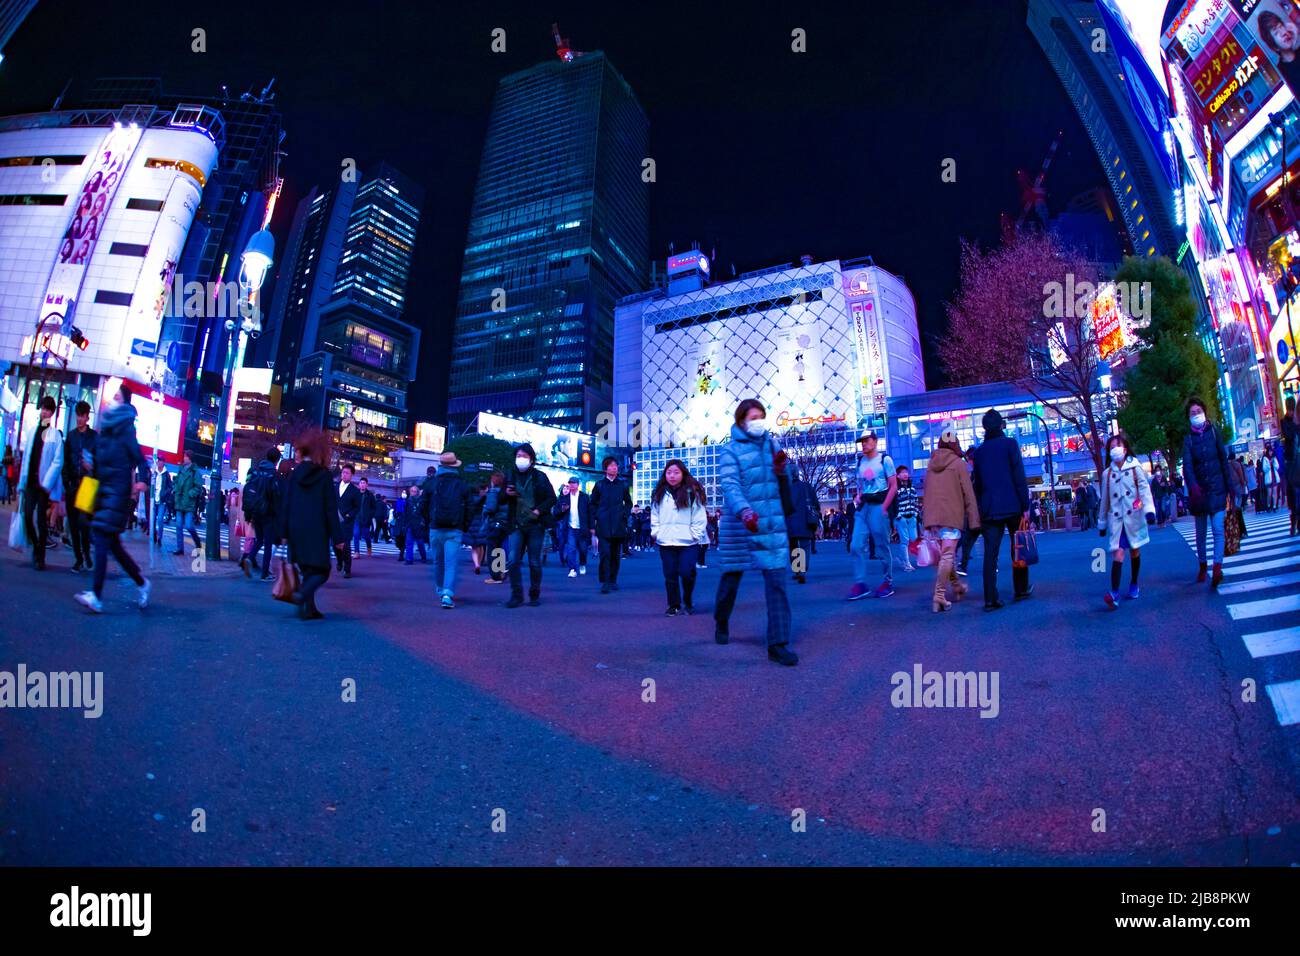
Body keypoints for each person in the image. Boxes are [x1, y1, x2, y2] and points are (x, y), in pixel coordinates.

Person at [714, 399, 797, 666]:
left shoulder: (773, 445)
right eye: (753, 416)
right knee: (731, 581)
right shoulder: (730, 451)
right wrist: (744, 511)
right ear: (741, 421)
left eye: (762, 415)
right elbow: (730, 485)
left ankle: (778, 643)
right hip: (741, 524)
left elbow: (785, 481)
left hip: (770, 524)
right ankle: (721, 620)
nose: (759, 420)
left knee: (777, 584)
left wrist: (782, 470)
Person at [73, 385, 150, 613]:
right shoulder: (105, 429)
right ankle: (142, 583)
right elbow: (98, 462)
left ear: (124, 402)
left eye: (116, 397)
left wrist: (142, 481)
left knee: (100, 536)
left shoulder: (126, 429)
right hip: (102, 492)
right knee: (114, 547)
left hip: (117, 494)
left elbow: (141, 459)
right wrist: (90, 463)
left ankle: (96, 596)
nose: (112, 400)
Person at [281, 431, 347, 620]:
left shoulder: (295, 474)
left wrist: (283, 531)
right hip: (317, 529)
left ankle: (309, 609)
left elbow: (286, 503)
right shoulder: (324, 475)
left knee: (308, 570)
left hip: (296, 528)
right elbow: (330, 508)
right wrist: (338, 537)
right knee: (322, 570)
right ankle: (302, 595)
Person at [971, 408, 1031, 611]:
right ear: (1001, 426)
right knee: (1018, 548)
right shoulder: (1010, 445)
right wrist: (1025, 505)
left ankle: (990, 597)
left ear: (984, 428)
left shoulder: (979, 453)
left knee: (990, 554)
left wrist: (980, 507)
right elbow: (1019, 476)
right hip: (1013, 504)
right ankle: (1020, 588)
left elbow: (977, 484)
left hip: (990, 508)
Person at [920, 424, 980, 613]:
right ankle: (938, 595)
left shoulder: (930, 465)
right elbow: (968, 494)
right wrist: (974, 521)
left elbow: (926, 493)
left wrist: (926, 520)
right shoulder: (958, 463)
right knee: (947, 555)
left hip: (933, 519)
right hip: (951, 515)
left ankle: (957, 587)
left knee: (946, 556)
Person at [1098, 432, 1156, 608]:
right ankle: (1114, 593)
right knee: (1118, 554)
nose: (1115, 449)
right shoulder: (1107, 474)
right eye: (1112, 446)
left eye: (1118, 445)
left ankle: (1134, 583)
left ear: (1125, 448)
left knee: (1135, 552)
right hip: (1117, 521)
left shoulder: (1135, 467)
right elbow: (1105, 500)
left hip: (1134, 517)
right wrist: (1102, 523)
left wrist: (1149, 511)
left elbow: (1144, 489)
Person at [1181, 396, 1232, 587]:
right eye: (1192, 413)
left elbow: (1223, 460)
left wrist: (1230, 487)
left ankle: (1217, 567)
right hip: (1199, 493)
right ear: (1189, 417)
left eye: (1198, 412)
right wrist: (1193, 485)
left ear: (1204, 413)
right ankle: (1203, 565)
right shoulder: (1188, 440)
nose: (1196, 415)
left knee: (1218, 529)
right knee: (1201, 533)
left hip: (1218, 489)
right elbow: (1187, 466)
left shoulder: (1214, 433)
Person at [649, 459, 708, 615]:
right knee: (670, 574)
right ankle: (674, 605)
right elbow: (655, 515)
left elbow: (700, 516)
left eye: (676, 472)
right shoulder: (659, 493)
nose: (672, 476)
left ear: (683, 473)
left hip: (688, 542)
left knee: (686, 572)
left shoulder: (692, 492)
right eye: (669, 472)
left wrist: (695, 535)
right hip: (666, 541)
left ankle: (687, 599)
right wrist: (656, 532)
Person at [501, 444, 556, 607]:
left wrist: (539, 510)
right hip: (516, 524)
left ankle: (534, 593)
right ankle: (516, 595)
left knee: (534, 561)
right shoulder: (510, 475)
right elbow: (500, 499)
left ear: (531, 459)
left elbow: (552, 498)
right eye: (518, 455)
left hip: (535, 525)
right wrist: (506, 494)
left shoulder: (540, 477)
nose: (521, 459)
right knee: (512, 560)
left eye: (524, 456)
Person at [847, 429, 897, 600]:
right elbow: (863, 485)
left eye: (867, 440)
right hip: (864, 507)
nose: (864, 444)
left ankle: (887, 581)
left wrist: (884, 508)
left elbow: (893, 486)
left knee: (881, 546)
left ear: (875, 441)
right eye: (862, 441)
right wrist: (859, 496)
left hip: (878, 506)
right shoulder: (861, 462)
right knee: (855, 545)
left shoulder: (885, 460)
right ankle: (860, 583)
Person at [421, 451, 473, 608]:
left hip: (435, 527)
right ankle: (447, 594)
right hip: (454, 529)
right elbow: (470, 508)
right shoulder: (463, 485)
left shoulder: (431, 483)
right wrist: (464, 525)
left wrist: (429, 521)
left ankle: (440, 588)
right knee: (451, 563)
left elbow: (423, 506)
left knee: (438, 561)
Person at [19, 395, 64, 571]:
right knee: (28, 517)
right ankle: (37, 547)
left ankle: (41, 557)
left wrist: (47, 483)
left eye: (47, 410)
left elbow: (57, 461)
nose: (44, 412)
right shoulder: (32, 432)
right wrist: (22, 483)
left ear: (52, 413)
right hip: (30, 482)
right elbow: (26, 459)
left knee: (41, 520)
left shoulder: (54, 435)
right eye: (43, 409)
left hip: (43, 486)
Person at [62, 400, 97, 573]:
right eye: (78, 415)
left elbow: (99, 462)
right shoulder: (71, 436)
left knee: (83, 523)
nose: (79, 419)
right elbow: (65, 460)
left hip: (88, 485)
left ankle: (86, 554)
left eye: (82, 416)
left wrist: (92, 467)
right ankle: (79, 558)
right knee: (74, 525)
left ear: (87, 417)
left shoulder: (94, 437)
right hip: (72, 484)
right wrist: (66, 481)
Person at [590, 456, 633, 594]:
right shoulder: (599, 485)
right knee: (605, 554)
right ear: (605, 468)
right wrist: (596, 517)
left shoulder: (623, 485)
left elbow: (629, 503)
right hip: (603, 525)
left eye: (615, 465)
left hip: (618, 525)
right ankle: (605, 581)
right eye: (611, 465)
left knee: (615, 554)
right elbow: (592, 503)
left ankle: (613, 580)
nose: (614, 468)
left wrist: (624, 515)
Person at [239, 448, 282, 581]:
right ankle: (265, 573)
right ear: (277, 460)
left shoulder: (257, 470)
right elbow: (275, 495)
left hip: (255, 511)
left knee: (259, 539)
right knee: (268, 543)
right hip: (267, 512)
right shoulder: (273, 474)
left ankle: (249, 558)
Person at [784, 463, 820, 583]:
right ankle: (803, 570)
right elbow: (815, 503)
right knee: (805, 546)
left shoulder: (786, 488)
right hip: (806, 521)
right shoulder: (807, 486)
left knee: (793, 546)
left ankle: (797, 570)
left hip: (790, 522)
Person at [551, 476, 592, 578]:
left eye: (574, 483)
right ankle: (572, 569)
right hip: (570, 528)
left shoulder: (584, 497)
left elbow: (590, 513)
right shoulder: (564, 498)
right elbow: (555, 512)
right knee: (571, 549)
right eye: (570, 483)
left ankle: (582, 563)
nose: (572, 485)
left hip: (582, 528)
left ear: (578, 485)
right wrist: (562, 509)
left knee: (583, 549)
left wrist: (592, 527)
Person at [171, 450, 202, 556]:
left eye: (185, 456)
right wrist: (175, 489)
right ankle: (180, 548)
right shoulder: (181, 469)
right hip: (179, 501)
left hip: (188, 502)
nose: (183, 458)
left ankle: (198, 544)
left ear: (189, 458)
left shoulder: (195, 472)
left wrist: (190, 493)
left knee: (189, 526)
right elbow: (176, 481)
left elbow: (198, 487)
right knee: (178, 525)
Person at [891, 464, 921, 573]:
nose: (905, 474)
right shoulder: (896, 489)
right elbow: (893, 503)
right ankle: (907, 564)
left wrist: (916, 513)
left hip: (912, 516)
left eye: (906, 472)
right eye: (902, 473)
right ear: (898, 476)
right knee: (905, 541)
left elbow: (916, 501)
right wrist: (898, 516)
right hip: (901, 518)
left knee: (914, 538)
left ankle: (900, 557)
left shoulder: (911, 488)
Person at [481, 471, 508, 584]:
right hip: (504, 523)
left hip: (494, 523)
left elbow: (491, 508)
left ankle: (495, 576)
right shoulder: (506, 493)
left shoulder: (493, 492)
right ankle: (501, 572)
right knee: (500, 549)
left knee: (492, 549)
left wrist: (485, 509)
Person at [336, 465, 361, 579]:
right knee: (335, 545)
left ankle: (347, 569)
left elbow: (357, 507)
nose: (344, 474)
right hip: (335, 521)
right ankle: (339, 561)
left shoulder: (355, 491)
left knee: (346, 546)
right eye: (343, 472)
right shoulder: (335, 486)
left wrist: (349, 515)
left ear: (352, 475)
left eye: (347, 473)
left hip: (347, 522)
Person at [1280, 396, 1300, 535]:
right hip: (1291, 460)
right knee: (1293, 493)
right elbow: (1288, 435)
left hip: (1295, 458)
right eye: (1290, 410)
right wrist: (1294, 424)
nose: (1292, 413)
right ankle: (1293, 522)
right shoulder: (1284, 422)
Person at [404, 483, 429, 565]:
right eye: (412, 491)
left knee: (420, 542)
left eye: (415, 491)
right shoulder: (408, 501)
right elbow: (405, 513)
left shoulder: (421, 501)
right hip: (410, 524)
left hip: (418, 524)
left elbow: (424, 513)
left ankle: (423, 556)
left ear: (417, 492)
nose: (413, 493)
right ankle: (409, 559)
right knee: (409, 542)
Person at [355, 477, 376, 557]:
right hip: (357, 518)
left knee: (366, 536)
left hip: (366, 520)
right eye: (361, 483)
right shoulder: (356, 494)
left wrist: (370, 516)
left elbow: (374, 508)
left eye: (364, 483)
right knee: (356, 534)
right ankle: (357, 552)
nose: (362, 485)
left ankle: (369, 548)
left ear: (367, 485)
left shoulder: (370, 495)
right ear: (359, 484)